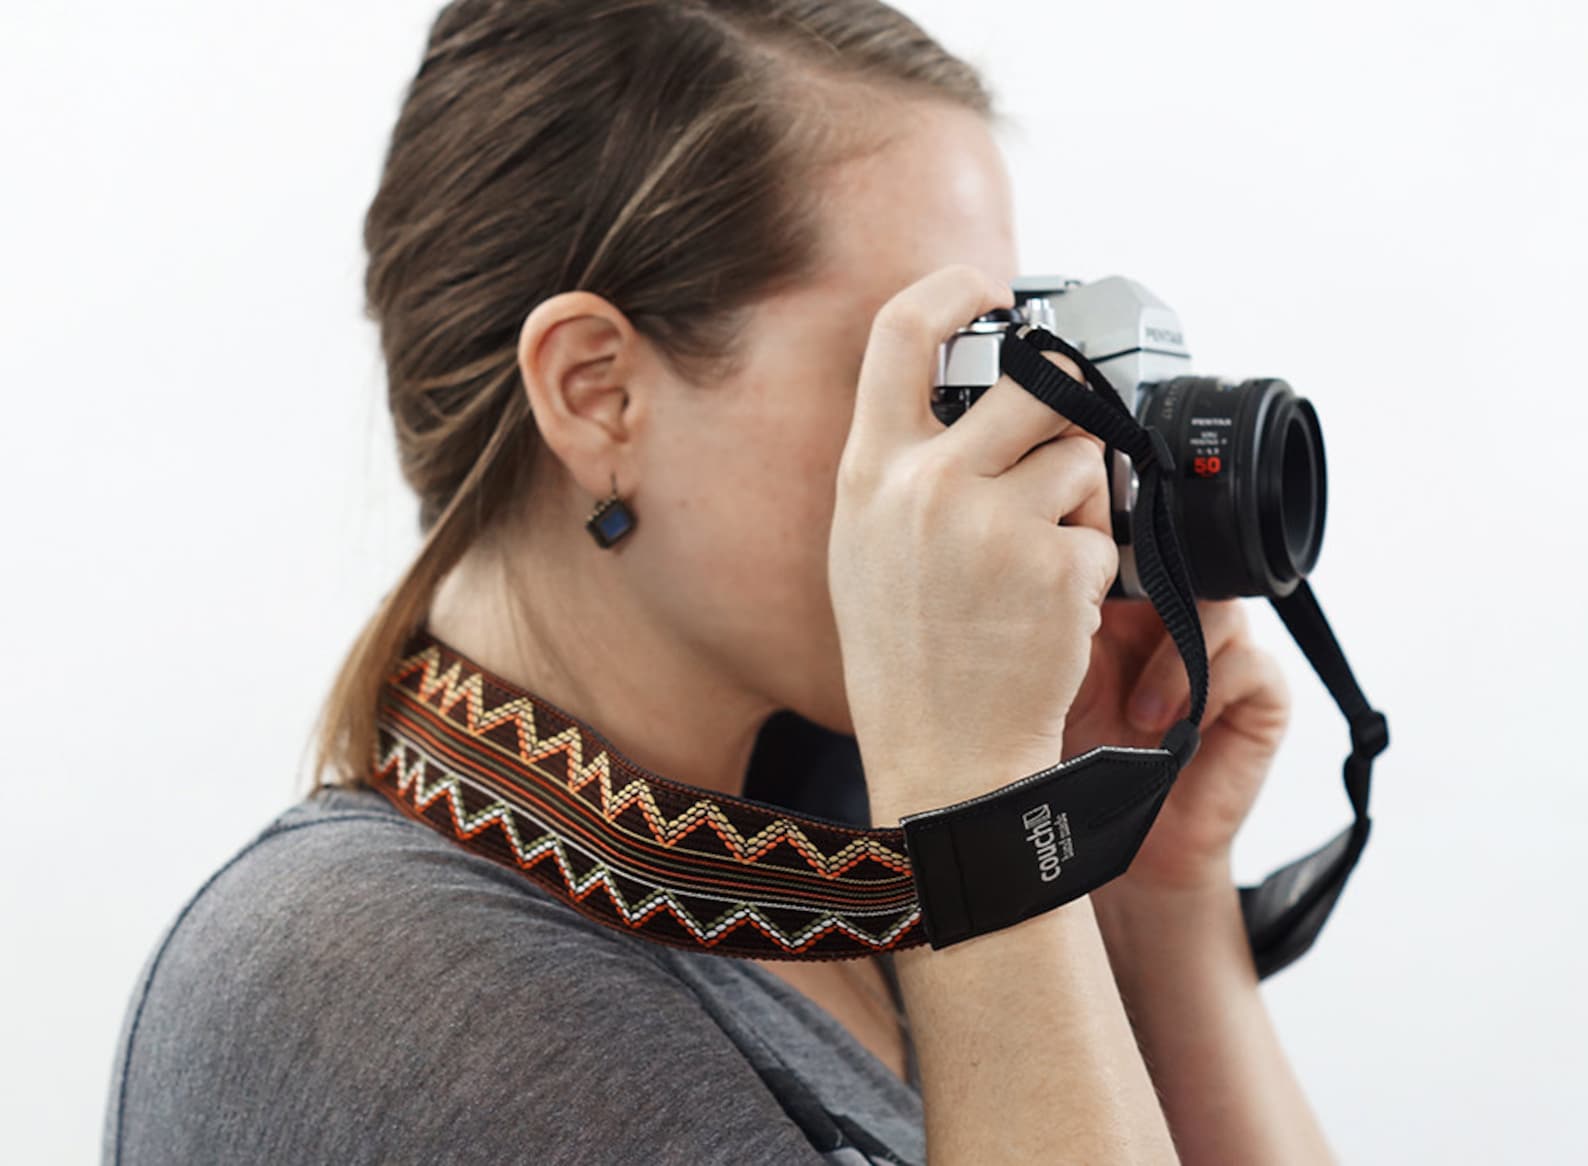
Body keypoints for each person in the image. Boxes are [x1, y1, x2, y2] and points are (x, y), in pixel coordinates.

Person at [102, 2, 1336, 1162]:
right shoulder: (363, 980)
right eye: (927, 372)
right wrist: (990, 824)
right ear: (599, 391)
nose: (1009, 445)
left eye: (1005, 361)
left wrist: (1149, 893)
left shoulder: (836, 837)